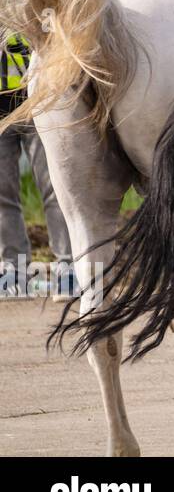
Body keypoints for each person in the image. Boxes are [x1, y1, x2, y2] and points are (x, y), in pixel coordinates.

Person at [0, 32, 75, 300]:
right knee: (3, 196)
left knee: (55, 188)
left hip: (39, 102)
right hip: (1, 110)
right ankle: (14, 272)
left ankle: (68, 268)